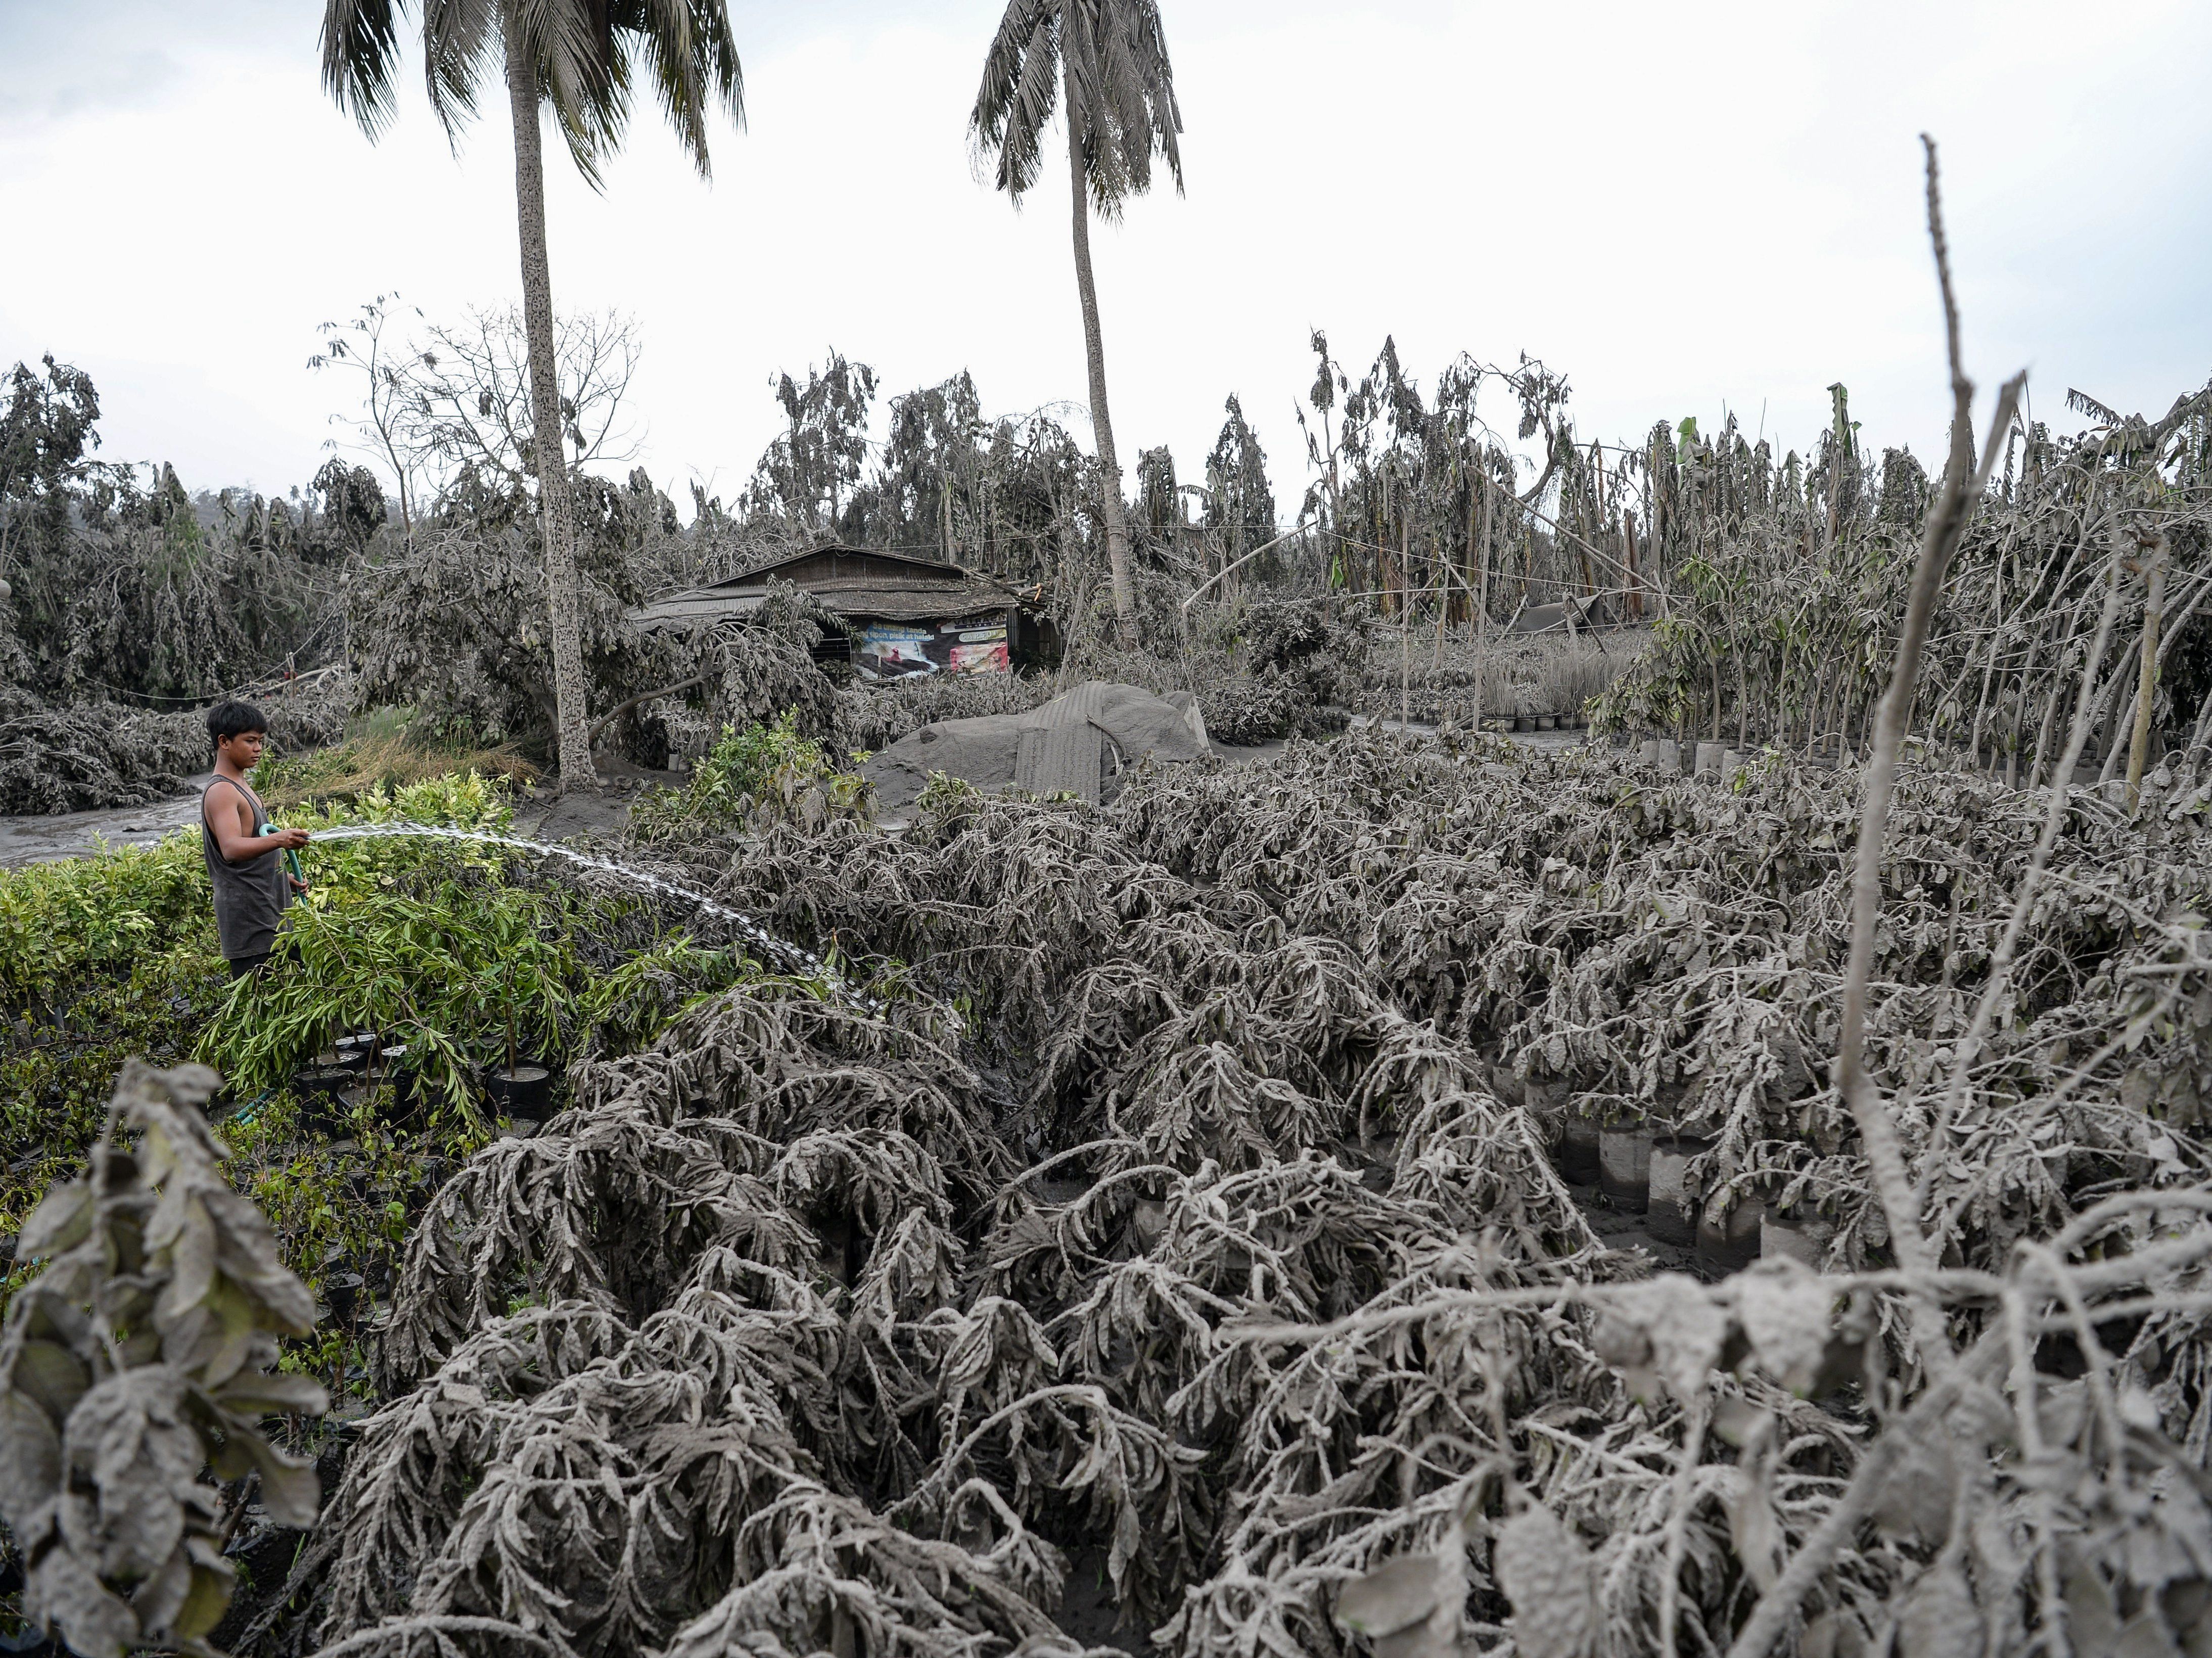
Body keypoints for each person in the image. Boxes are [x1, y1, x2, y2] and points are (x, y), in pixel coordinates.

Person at [200, 701, 309, 978]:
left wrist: (280, 878)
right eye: (250, 741)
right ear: (224, 742)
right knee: (266, 1009)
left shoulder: (240, 783)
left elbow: (249, 850)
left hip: (270, 912)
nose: (258, 748)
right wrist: (279, 840)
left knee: (295, 1001)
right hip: (251, 923)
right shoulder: (223, 791)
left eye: (260, 741)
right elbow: (231, 849)